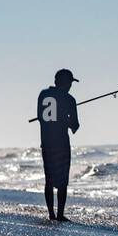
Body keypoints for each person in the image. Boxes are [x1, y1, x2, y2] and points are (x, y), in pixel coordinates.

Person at [36, 69, 80, 222]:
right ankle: (60, 215)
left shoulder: (43, 95)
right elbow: (75, 126)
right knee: (62, 181)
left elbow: (42, 119)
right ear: (64, 82)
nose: (70, 86)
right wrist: (66, 118)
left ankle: (51, 214)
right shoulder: (69, 100)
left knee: (49, 179)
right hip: (61, 143)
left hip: (47, 143)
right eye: (69, 83)